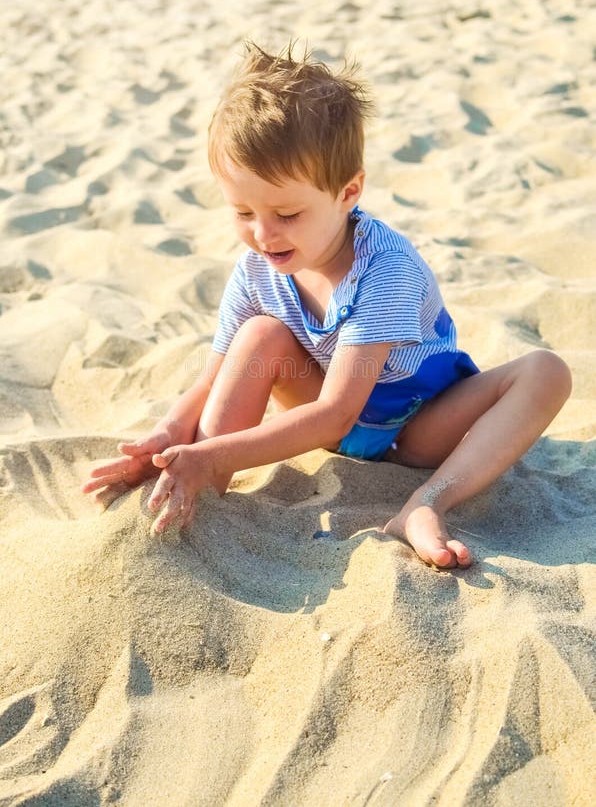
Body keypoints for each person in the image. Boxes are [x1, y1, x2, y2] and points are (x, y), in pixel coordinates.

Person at [83, 42, 572, 569]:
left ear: (348, 192)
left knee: (546, 370)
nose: (263, 233)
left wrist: (211, 451)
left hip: (419, 426)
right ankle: (196, 495)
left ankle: (425, 503)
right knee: (259, 336)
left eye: (287, 213)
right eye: (243, 210)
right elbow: (212, 381)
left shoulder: (384, 269)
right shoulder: (256, 267)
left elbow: (339, 413)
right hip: (318, 410)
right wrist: (171, 435)